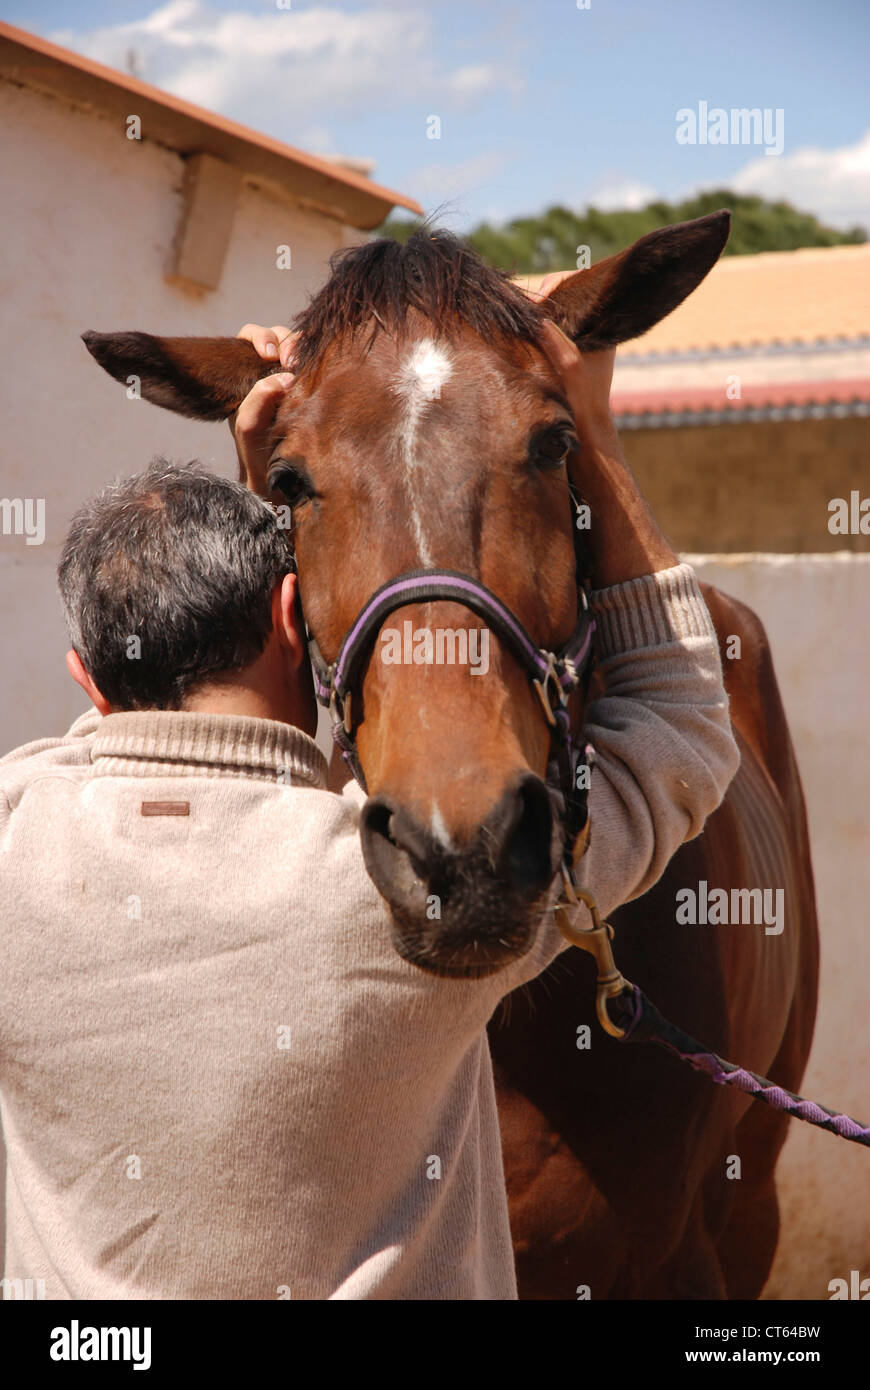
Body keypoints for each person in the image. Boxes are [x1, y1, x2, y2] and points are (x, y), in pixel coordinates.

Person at [0, 324, 739, 1300]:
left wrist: (276, 487)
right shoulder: (407, 904)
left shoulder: (19, 831)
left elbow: (113, 730)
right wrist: (586, 424)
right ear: (289, 617)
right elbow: (679, 722)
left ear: (86, 681)